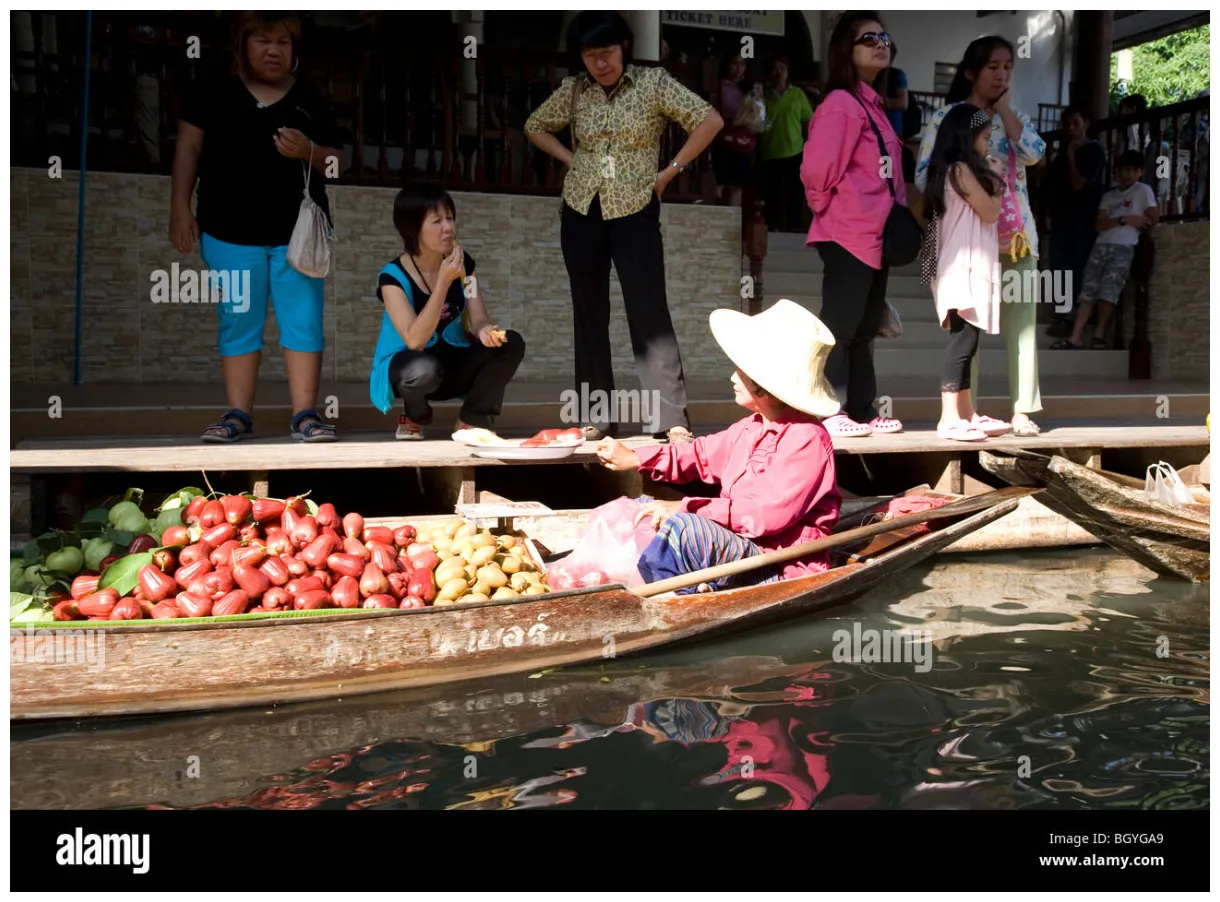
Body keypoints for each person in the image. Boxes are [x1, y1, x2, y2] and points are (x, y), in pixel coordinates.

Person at [524, 11, 723, 444]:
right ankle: (596, 417)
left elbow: (710, 120)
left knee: (649, 311)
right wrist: (572, 160)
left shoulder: (652, 84)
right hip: (580, 210)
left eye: (608, 52)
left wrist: (670, 171)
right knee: (589, 311)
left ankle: (670, 418)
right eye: (591, 55)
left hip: (635, 208)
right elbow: (534, 125)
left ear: (624, 48)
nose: (601, 63)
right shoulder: (575, 91)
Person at [171, 11, 342, 443]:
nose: (274, 50)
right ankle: (237, 416)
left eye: (283, 42)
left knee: (303, 321)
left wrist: (310, 150)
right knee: (238, 321)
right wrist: (179, 207)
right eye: (263, 41)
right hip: (228, 232)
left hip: (297, 238)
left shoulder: (309, 97)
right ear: (243, 45)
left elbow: (338, 163)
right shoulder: (214, 90)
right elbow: (189, 147)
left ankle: (305, 415)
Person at [595, 299, 842, 595]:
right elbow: (697, 454)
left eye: (741, 372)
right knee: (638, 508)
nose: (732, 378)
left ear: (767, 384)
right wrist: (636, 457)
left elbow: (765, 517)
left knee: (684, 529)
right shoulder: (750, 427)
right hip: (738, 548)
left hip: (777, 563)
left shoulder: (807, 439)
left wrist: (686, 508)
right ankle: (676, 586)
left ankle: (676, 604)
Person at [916, 35, 1047, 438]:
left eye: (1008, 66)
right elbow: (926, 174)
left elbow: (1035, 152)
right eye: (993, 66)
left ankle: (1023, 410)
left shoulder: (1011, 118)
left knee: (1022, 325)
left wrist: (1005, 110)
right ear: (972, 71)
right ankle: (961, 411)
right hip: (971, 243)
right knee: (968, 324)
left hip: (1017, 236)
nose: (1002, 73)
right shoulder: (956, 118)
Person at [801, 12, 906, 438]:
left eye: (883, 37)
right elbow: (817, 171)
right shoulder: (842, 103)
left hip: (873, 234)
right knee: (840, 326)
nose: (880, 43)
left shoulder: (872, 104)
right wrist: (830, 208)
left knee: (863, 328)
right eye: (868, 39)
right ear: (846, 49)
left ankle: (862, 408)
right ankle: (831, 409)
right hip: (848, 233)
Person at [368, 184, 525, 439]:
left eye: (450, 218)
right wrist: (442, 282)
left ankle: (472, 419)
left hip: (452, 362)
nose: (448, 228)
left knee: (511, 343)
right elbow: (414, 340)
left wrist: (486, 330)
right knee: (423, 368)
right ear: (413, 228)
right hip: (411, 371)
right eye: (437, 221)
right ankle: (414, 415)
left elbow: (479, 318)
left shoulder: (464, 266)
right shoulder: (391, 278)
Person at [920, 104, 1010, 442]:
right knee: (963, 342)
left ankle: (967, 412)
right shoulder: (960, 169)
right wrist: (998, 180)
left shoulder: (953, 170)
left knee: (968, 341)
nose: (989, 144)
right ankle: (948, 418)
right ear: (967, 136)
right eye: (985, 137)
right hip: (961, 268)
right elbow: (989, 213)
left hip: (963, 266)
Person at [1052, 150, 1158, 351]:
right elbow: (1099, 224)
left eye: (1132, 170)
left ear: (1140, 172)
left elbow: (1153, 216)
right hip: (1101, 245)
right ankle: (1076, 336)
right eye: (1124, 170)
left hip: (1124, 246)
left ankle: (1099, 333)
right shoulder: (1109, 196)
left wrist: (1139, 223)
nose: (1127, 175)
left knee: (1109, 290)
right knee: (1088, 289)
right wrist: (1125, 219)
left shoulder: (1143, 190)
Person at [1043, 106, 1107, 337]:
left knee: (1077, 264)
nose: (1071, 128)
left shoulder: (1093, 151)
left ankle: (1076, 316)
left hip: (1083, 217)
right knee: (1059, 265)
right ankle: (1062, 313)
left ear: (1086, 123)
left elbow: (1079, 182)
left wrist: (1071, 155)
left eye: (1075, 123)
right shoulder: (1061, 154)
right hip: (1062, 217)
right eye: (1067, 124)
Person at [759, 55, 813, 232]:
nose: (778, 72)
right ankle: (772, 225)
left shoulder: (797, 94)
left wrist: (811, 146)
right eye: (775, 69)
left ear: (787, 72)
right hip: (770, 150)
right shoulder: (763, 95)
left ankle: (794, 226)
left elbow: (807, 120)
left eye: (782, 68)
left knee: (796, 192)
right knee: (772, 192)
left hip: (795, 150)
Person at [712, 52, 754, 208]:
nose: (738, 68)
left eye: (742, 64)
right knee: (722, 179)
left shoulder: (748, 88)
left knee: (738, 182)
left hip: (743, 138)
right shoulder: (718, 85)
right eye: (735, 63)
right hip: (723, 136)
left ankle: (734, 218)